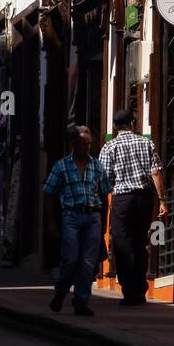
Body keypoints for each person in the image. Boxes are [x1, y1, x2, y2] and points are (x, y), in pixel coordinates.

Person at [97, 108, 165, 306]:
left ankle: (129, 291)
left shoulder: (110, 147)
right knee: (140, 241)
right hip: (144, 199)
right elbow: (156, 173)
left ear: (115, 127)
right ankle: (140, 289)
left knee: (122, 244)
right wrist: (162, 200)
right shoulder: (146, 143)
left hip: (122, 200)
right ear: (133, 124)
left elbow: (104, 180)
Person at [44, 125, 112, 316]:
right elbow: (49, 193)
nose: (87, 148)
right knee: (71, 258)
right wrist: (51, 222)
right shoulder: (62, 166)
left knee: (88, 262)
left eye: (89, 144)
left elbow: (105, 193)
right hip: (71, 216)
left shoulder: (97, 166)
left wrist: (104, 223)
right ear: (73, 144)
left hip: (92, 216)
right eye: (83, 144)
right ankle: (61, 291)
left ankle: (81, 301)